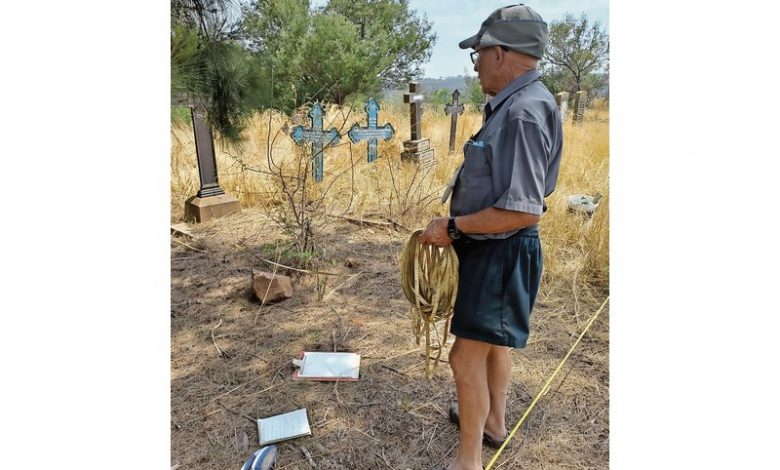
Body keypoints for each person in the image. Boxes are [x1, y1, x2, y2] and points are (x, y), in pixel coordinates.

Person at [417, 5, 563, 470]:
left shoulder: (521, 113)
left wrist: (452, 227)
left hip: (500, 252)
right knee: (492, 343)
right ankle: (494, 423)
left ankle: (468, 462)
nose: (476, 64)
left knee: (464, 358)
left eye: (478, 54)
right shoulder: (524, 102)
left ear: (500, 53)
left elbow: (522, 210)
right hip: (497, 251)